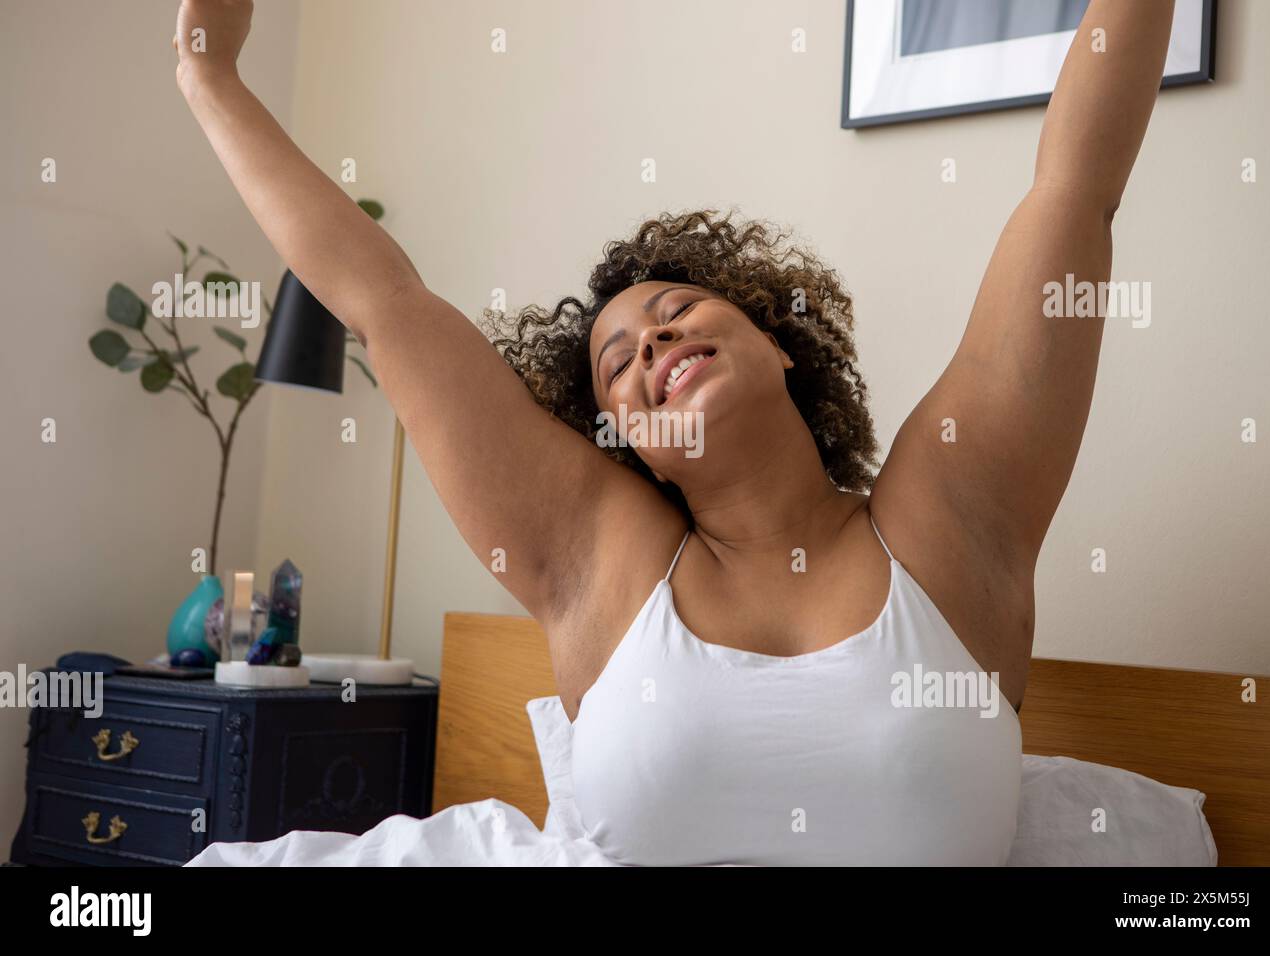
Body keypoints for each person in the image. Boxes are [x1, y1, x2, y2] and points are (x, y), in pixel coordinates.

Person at [174, 0, 1176, 865]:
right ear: (626, 443)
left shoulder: (946, 524)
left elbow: (1075, 190)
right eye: (619, 362)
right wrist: (209, 75)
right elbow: (383, 301)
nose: (653, 338)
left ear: (780, 347)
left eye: (677, 310)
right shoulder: (598, 557)